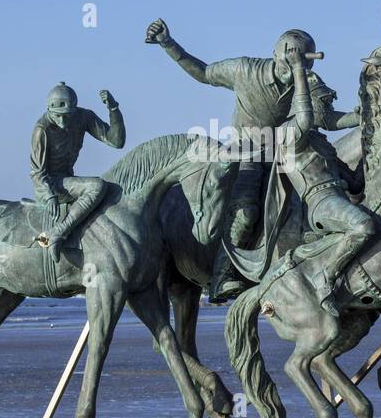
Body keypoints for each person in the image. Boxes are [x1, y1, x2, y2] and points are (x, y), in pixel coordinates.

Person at [145, 17, 358, 302]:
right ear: (276, 54)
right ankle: (224, 275)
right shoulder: (245, 69)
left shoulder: (304, 82)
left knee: (334, 187)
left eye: (303, 65)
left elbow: (326, 118)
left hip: (286, 152)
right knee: (246, 214)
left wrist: (361, 115)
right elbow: (204, 72)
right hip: (246, 153)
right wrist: (168, 43)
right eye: (290, 63)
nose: (295, 70)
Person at [271, 49, 375, 317]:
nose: (329, 108)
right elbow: (307, 118)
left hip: (337, 197)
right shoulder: (288, 133)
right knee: (363, 226)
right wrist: (298, 70)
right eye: (324, 102)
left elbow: (353, 184)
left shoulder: (321, 143)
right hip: (320, 203)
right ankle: (324, 280)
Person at [28, 82, 125, 261]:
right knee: (96, 186)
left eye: (67, 116)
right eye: (58, 116)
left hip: (69, 179)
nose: (63, 122)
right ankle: (58, 233)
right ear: (49, 110)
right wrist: (49, 196)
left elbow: (116, 141)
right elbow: (37, 172)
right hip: (50, 185)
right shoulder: (42, 129)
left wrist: (113, 108)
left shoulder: (83, 117)